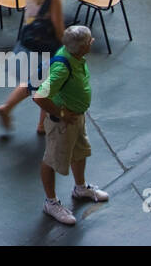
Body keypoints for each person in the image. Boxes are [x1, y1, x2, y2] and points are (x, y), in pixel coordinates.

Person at [33, 24, 108, 225]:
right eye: (90, 40)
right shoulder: (62, 68)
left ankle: (80, 188)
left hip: (76, 118)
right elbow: (39, 96)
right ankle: (51, 203)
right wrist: (61, 113)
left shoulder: (74, 54)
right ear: (82, 47)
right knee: (51, 160)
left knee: (80, 151)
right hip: (62, 124)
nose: (93, 41)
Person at [0, 0, 65, 133]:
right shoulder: (54, 0)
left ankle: (7, 107)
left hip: (27, 44)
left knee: (32, 83)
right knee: (47, 87)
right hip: (45, 50)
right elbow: (59, 30)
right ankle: (41, 124)